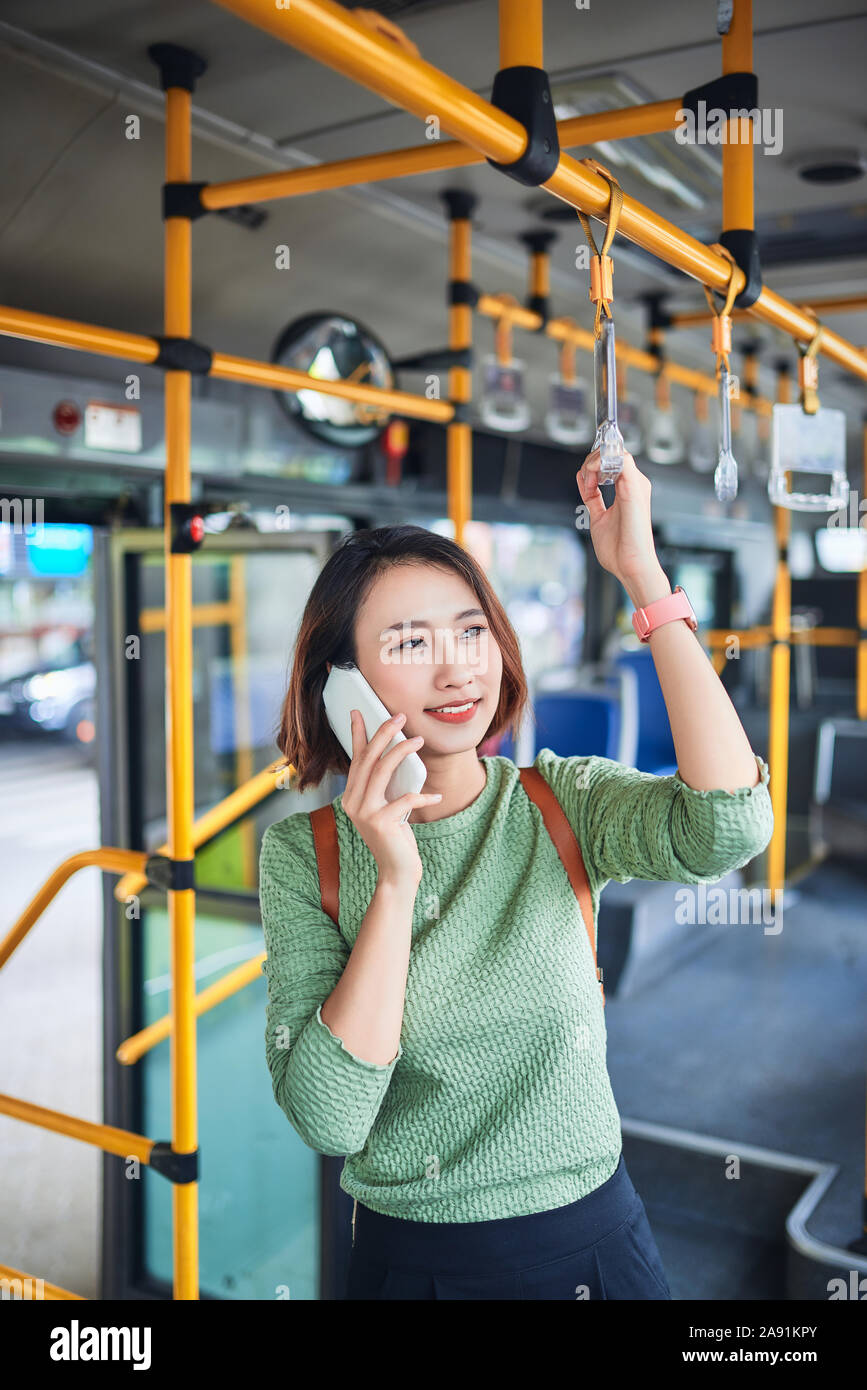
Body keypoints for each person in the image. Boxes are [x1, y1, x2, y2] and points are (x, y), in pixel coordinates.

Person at [258, 447, 774, 1300]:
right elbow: (329, 1116)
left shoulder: (558, 799)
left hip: (594, 1235)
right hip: (416, 1259)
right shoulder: (304, 857)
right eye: (409, 641)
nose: (457, 666)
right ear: (341, 684)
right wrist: (393, 883)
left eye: (470, 630)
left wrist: (642, 575)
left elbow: (727, 825)